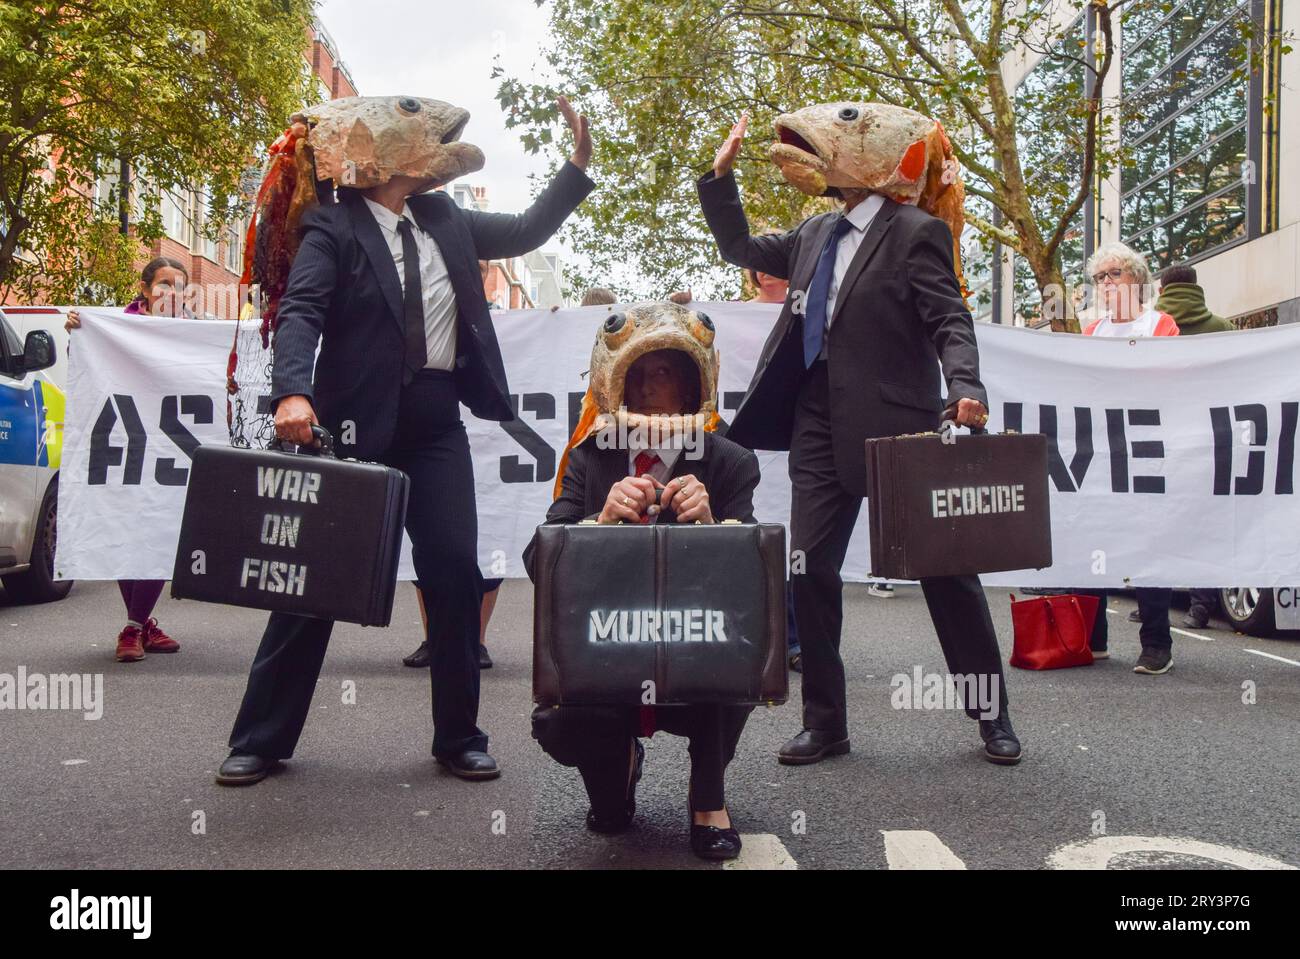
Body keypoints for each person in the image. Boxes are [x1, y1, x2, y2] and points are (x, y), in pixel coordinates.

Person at [215, 95, 594, 786]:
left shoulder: (447, 220)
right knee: (312, 588)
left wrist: (577, 164)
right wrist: (291, 391)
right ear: (385, 157)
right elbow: (299, 312)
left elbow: (527, 229)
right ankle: (260, 739)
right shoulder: (331, 228)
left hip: (434, 425)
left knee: (453, 573)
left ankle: (459, 737)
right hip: (350, 428)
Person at [697, 114, 1020, 767]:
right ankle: (826, 723)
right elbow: (738, 247)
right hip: (816, 423)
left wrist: (968, 389)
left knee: (947, 574)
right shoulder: (814, 232)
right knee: (809, 571)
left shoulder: (916, 232)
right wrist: (719, 179)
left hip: (899, 424)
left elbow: (950, 319)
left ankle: (992, 716)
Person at [524, 307, 761, 860]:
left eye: (666, 373)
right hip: (610, 647)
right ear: (618, 384)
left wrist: (712, 526)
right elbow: (540, 561)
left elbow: (757, 582)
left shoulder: (730, 463)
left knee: (730, 672)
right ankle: (619, 768)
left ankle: (709, 803)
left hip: (698, 644)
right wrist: (598, 523)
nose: (652, 387)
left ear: (690, 386)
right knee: (561, 726)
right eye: (640, 374)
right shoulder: (588, 458)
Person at [65, 256, 190, 663]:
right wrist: (78, 333)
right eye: (164, 284)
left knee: (161, 530)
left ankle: (135, 627)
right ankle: (140, 626)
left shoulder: (195, 331)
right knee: (124, 526)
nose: (172, 293)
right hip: (124, 446)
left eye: (179, 286)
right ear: (144, 286)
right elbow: (86, 366)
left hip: (172, 452)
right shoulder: (115, 328)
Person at [1080, 242, 1177, 675]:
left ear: (1136, 278)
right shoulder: (1092, 332)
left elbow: (1170, 380)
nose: (1106, 283)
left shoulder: (1162, 324)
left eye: (1114, 273)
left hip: (1148, 452)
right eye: (1100, 277)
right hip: (1102, 454)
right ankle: (1094, 639)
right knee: (1096, 542)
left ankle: (1157, 644)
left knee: (1150, 545)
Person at [404, 258, 502, 671]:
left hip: (490, 445)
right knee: (431, 544)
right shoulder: (433, 304)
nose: (473, 274)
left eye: (480, 268)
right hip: (444, 434)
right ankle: (435, 637)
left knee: (487, 545)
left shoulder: (500, 318)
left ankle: (473, 641)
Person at [1155, 263, 1233, 629]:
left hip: (1159, 437)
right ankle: (1201, 606)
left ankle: (1153, 595)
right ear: (1196, 287)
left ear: (1162, 288)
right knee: (1202, 522)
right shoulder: (1222, 328)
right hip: (1207, 437)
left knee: (1159, 518)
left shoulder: (1148, 327)